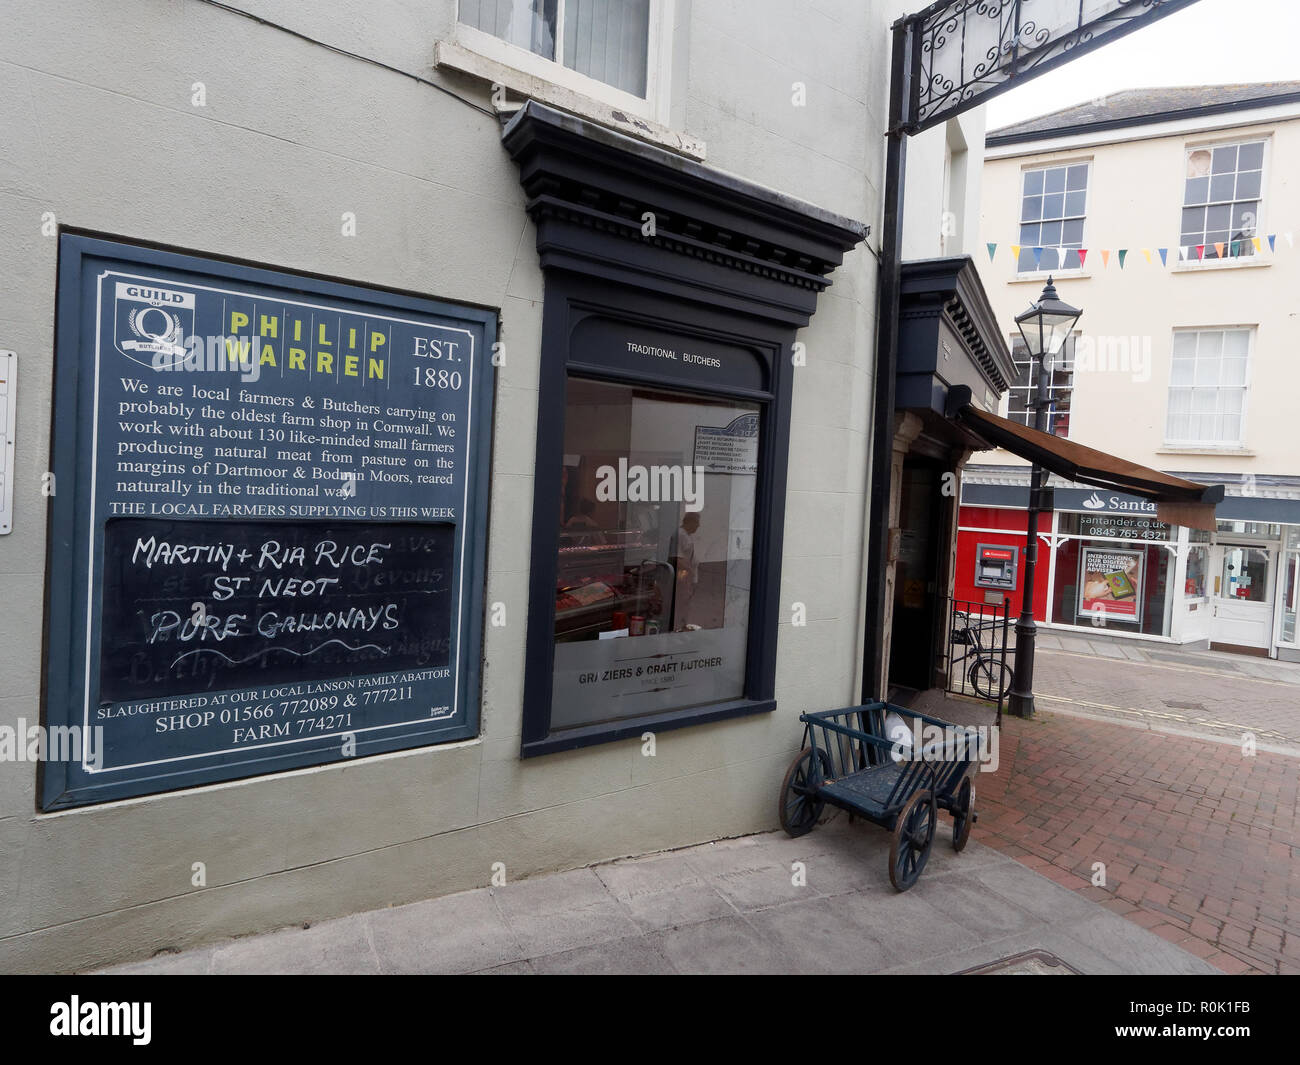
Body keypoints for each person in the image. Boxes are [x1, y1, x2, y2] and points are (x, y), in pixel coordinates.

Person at [671, 511, 701, 630]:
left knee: (686, 602)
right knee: (681, 602)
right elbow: (677, 559)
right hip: (683, 576)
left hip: (689, 576)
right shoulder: (680, 534)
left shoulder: (687, 535)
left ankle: (683, 625)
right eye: (697, 523)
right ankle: (678, 626)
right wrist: (690, 572)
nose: (698, 526)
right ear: (690, 522)